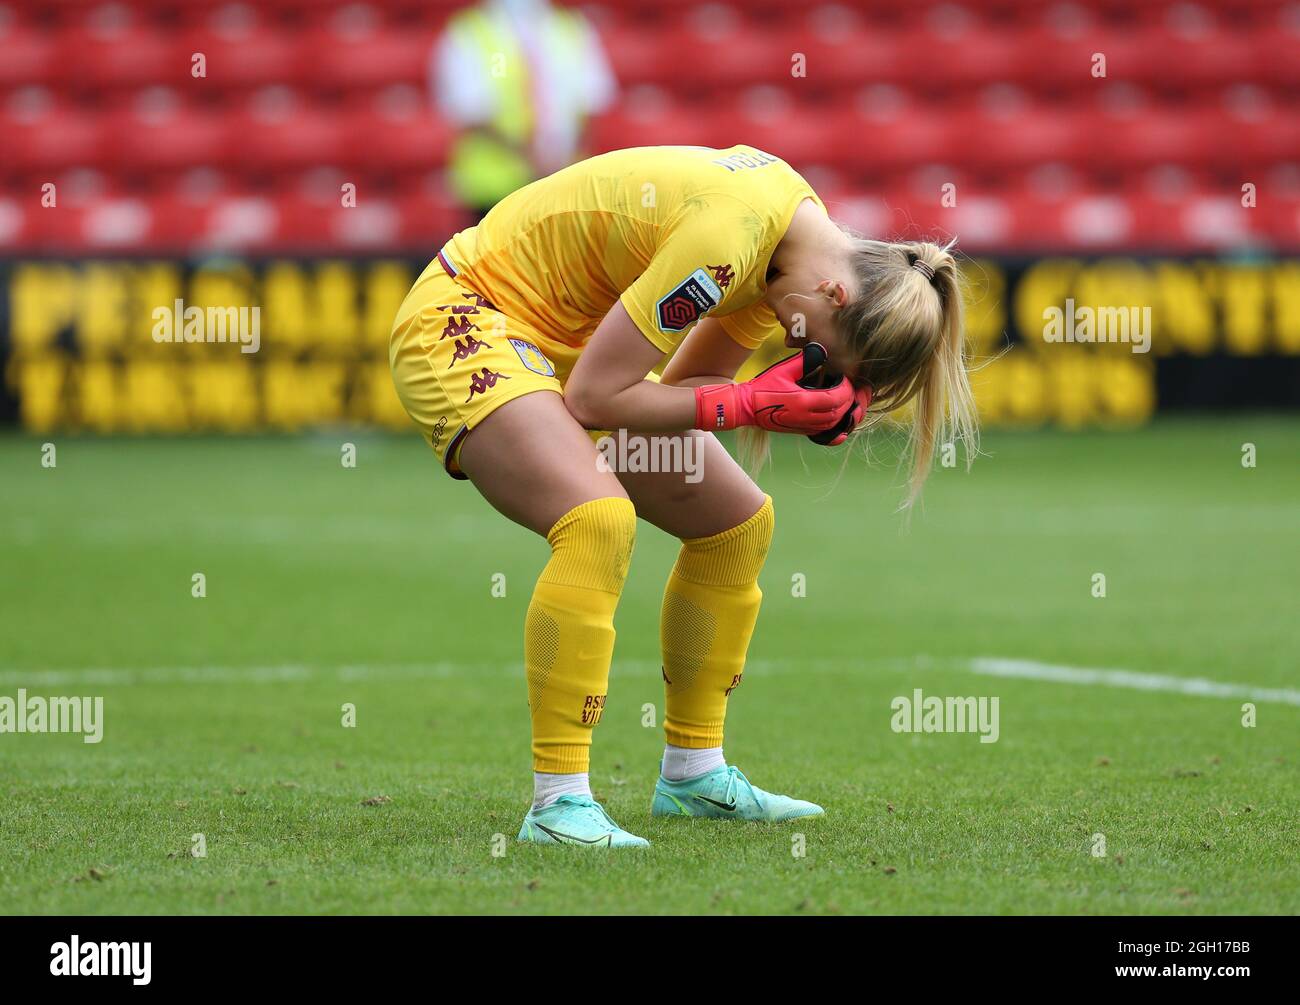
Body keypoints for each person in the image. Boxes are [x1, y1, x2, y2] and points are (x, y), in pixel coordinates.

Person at [390, 144, 977, 847]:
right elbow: (601, 396)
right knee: (596, 520)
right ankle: (557, 801)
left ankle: (693, 774)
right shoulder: (730, 241)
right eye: (819, 356)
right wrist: (752, 404)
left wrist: (764, 406)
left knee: (737, 523)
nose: (806, 363)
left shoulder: (785, 255)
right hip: (467, 318)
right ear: (836, 297)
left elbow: (674, 397)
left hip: (563, 346)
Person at [431, 0, 617, 217]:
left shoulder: (572, 28)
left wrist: (567, 160)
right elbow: (469, 110)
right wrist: (531, 158)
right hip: (496, 188)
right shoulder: (468, 32)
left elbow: (591, 101)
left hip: (561, 185)